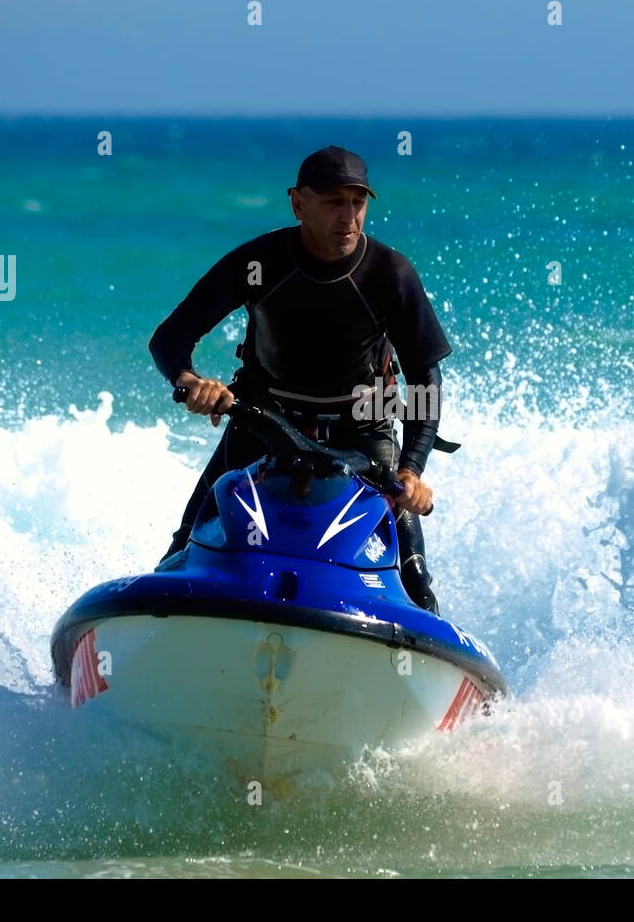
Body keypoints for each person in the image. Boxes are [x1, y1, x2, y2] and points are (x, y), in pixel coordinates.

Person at [149, 145, 453, 613]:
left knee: (413, 579)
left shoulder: (391, 274)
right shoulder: (259, 264)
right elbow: (169, 339)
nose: (348, 216)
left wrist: (412, 470)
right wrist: (191, 380)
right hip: (261, 422)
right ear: (298, 204)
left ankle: (430, 659)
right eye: (334, 202)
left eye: (358, 202)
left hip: (363, 434)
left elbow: (425, 378)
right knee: (186, 549)